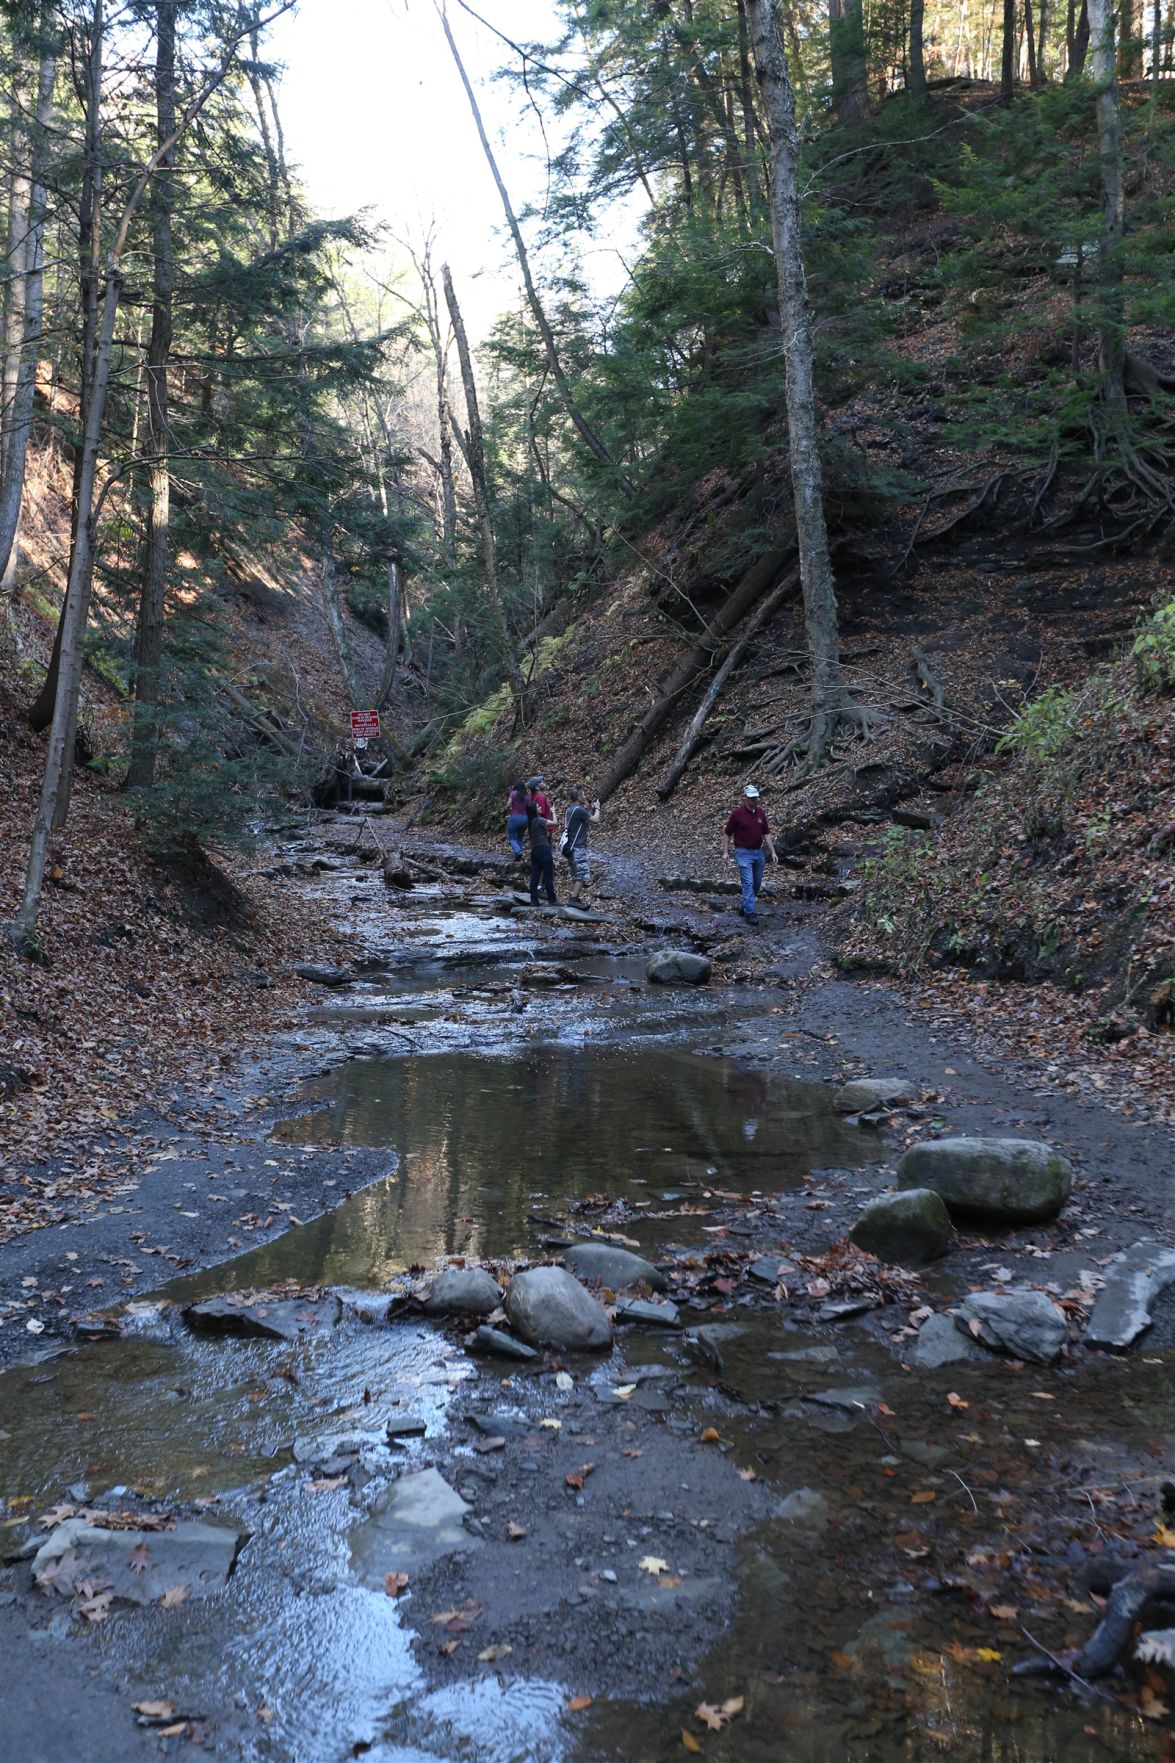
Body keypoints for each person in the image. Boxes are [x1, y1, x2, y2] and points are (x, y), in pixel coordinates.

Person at [722, 783, 777, 926]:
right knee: (748, 883)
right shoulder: (737, 814)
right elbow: (727, 834)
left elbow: (766, 833)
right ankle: (750, 913)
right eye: (751, 798)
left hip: (758, 853)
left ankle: (744, 906)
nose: (754, 801)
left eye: (756, 798)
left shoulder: (760, 813)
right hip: (743, 853)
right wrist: (725, 852)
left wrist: (773, 851)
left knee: (756, 884)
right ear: (745, 798)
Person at [562, 786, 600, 902]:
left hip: (571, 846)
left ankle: (575, 898)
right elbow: (595, 820)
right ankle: (574, 899)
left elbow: (583, 819)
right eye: (583, 795)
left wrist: (591, 809)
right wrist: (597, 809)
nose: (585, 796)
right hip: (578, 847)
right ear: (578, 797)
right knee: (582, 874)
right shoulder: (579, 810)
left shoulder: (570, 809)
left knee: (575, 873)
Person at [527, 799, 557, 906]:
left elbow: (546, 834)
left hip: (535, 850)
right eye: (537, 806)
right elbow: (555, 823)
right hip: (544, 849)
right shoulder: (539, 820)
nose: (540, 807)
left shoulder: (530, 822)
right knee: (548, 875)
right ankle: (552, 900)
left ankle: (533, 899)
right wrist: (553, 812)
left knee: (535, 875)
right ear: (534, 810)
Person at [505, 780, 529, 857]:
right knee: (520, 837)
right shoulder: (527, 795)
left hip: (515, 817)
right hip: (525, 818)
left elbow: (508, 805)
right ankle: (519, 852)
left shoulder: (513, 793)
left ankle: (518, 851)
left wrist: (509, 812)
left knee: (512, 836)